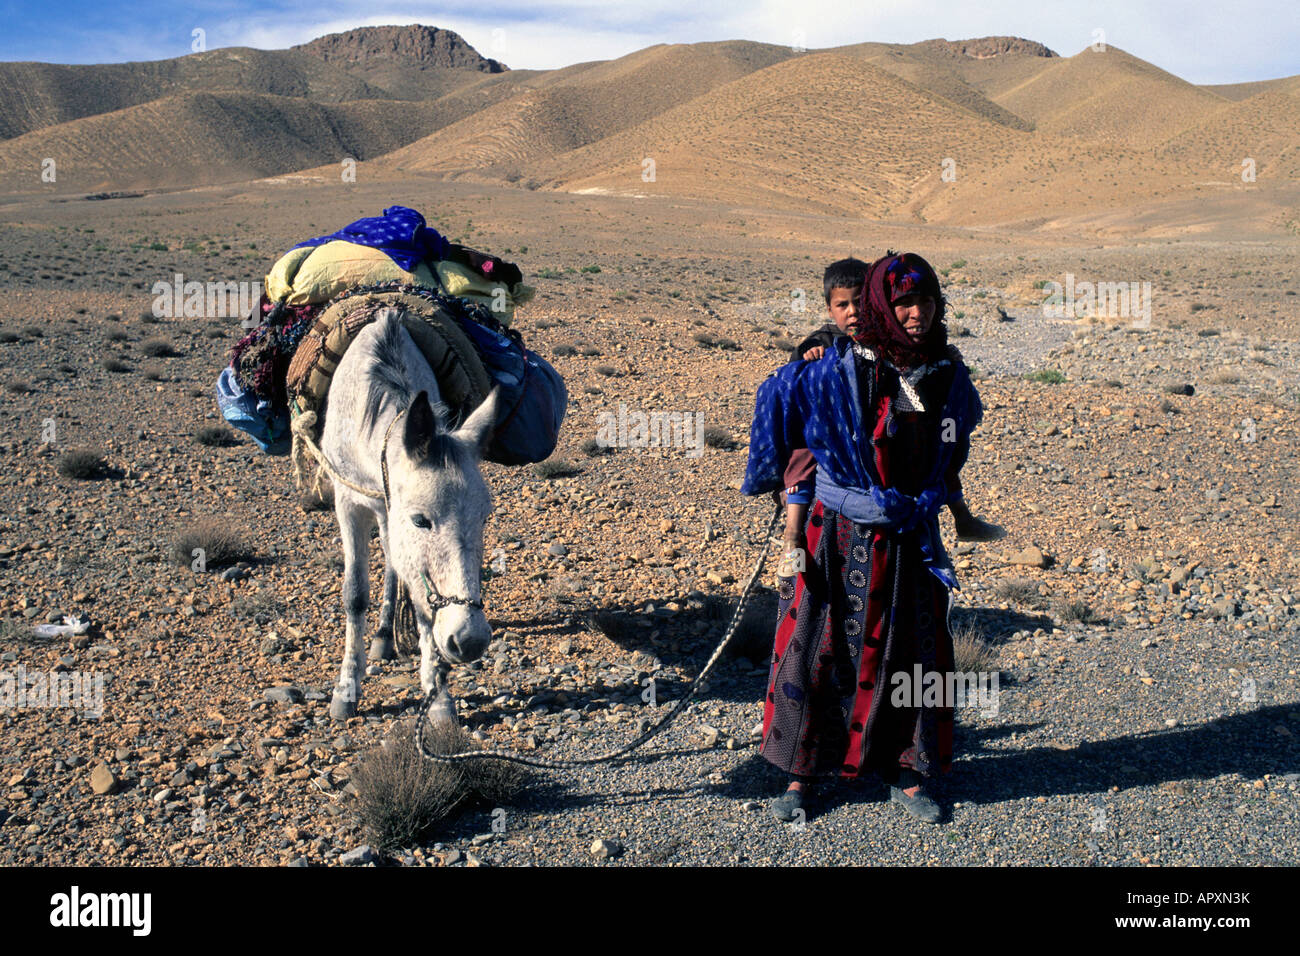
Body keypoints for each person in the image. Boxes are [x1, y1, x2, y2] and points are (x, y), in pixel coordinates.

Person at [742, 251, 985, 824]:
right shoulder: (834, 369)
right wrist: (793, 535)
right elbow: (795, 432)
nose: (916, 313)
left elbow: (945, 453)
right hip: (837, 533)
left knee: (912, 653)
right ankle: (803, 775)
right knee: (820, 650)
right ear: (884, 306)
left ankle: (905, 768)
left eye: (924, 301)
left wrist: (954, 510)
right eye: (902, 303)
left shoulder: (943, 373)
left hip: (906, 536)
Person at [776, 260, 998, 584]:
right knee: (805, 454)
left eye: (860, 302)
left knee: (944, 446)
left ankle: (961, 514)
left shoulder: (922, 359)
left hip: (908, 495)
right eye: (843, 305)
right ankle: (793, 536)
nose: (853, 312)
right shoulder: (830, 348)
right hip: (838, 470)